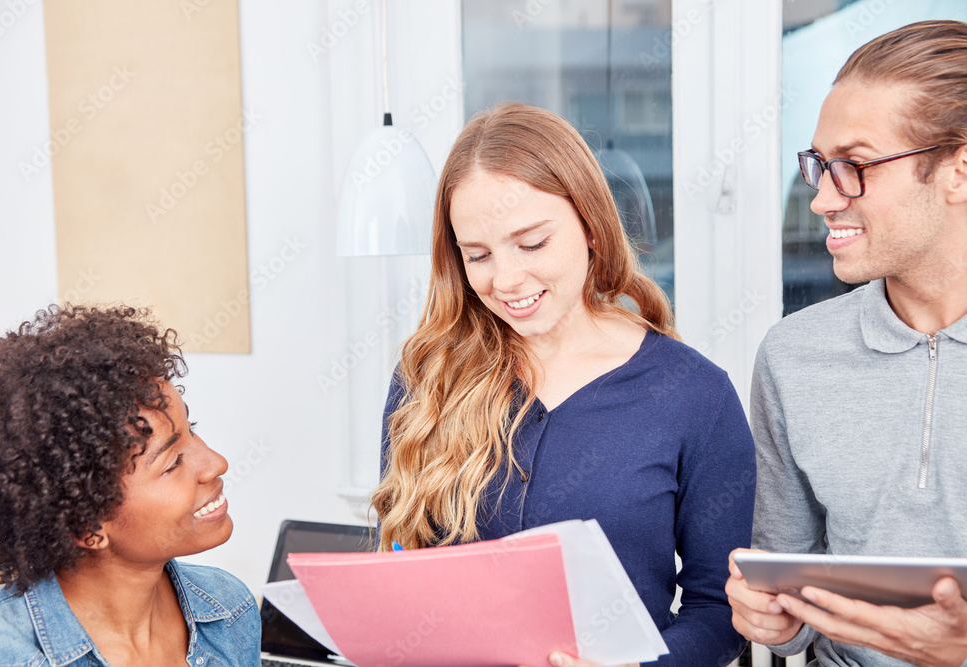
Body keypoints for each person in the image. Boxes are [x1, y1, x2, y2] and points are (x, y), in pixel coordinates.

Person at [370, 102, 756, 666]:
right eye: (478, 255)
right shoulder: (427, 376)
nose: (506, 279)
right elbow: (398, 562)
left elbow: (720, 611)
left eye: (532, 244)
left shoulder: (695, 395)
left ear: (591, 226)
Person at [726, 20, 967, 667]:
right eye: (820, 166)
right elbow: (790, 591)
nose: (822, 200)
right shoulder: (792, 357)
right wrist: (771, 617)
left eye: (854, 166)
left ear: (959, 169)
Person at [0, 305, 260, 666]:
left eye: (192, 430)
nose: (217, 463)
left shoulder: (230, 610)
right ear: (86, 526)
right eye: (172, 463)